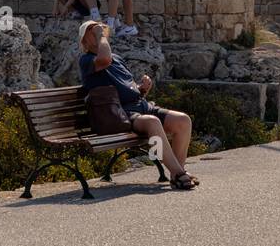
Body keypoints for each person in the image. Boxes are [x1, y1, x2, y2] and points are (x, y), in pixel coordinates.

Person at [78, 20, 198, 190]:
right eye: (92, 31)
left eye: (99, 29)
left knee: (183, 121)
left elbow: (128, 87)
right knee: (152, 123)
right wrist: (101, 36)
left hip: (140, 107)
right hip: (120, 114)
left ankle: (176, 173)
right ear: (84, 40)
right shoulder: (87, 60)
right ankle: (179, 174)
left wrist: (142, 89)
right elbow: (104, 59)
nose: (98, 32)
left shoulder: (117, 59)